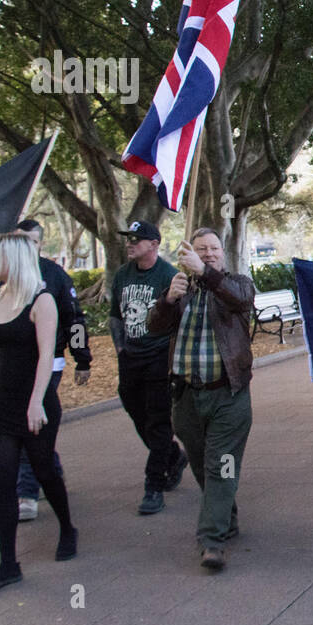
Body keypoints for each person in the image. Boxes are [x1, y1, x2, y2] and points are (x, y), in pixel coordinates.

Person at [147, 227, 256, 571]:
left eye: (213, 249)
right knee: (200, 464)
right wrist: (167, 300)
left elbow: (240, 300)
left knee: (220, 466)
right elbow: (154, 327)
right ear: (185, 254)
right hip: (187, 397)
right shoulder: (181, 289)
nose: (208, 254)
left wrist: (205, 273)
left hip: (228, 395)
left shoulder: (236, 283)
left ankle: (212, 541)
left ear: (223, 254)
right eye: (200, 249)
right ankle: (226, 516)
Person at [0, 218, 90, 523]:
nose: (25, 246)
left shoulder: (54, 277)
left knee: (32, 425)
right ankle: (44, 470)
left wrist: (82, 357)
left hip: (48, 363)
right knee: (32, 445)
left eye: (32, 242)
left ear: (39, 244)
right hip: (7, 370)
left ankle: (27, 491)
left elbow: (74, 319)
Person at [0, 231, 78, 590]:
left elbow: (46, 356)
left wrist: (37, 402)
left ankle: (67, 528)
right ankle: (8, 564)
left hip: (36, 401)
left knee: (44, 469)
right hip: (1, 404)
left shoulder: (42, 300)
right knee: (3, 481)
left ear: (13, 260)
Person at [110, 220, 188, 515]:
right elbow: (115, 316)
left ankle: (153, 485)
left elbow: (177, 320)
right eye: (128, 238)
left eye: (136, 239)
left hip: (158, 358)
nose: (130, 243)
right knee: (136, 412)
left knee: (158, 421)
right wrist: (120, 348)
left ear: (153, 245)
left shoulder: (169, 276)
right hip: (130, 359)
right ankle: (172, 455)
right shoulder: (122, 275)